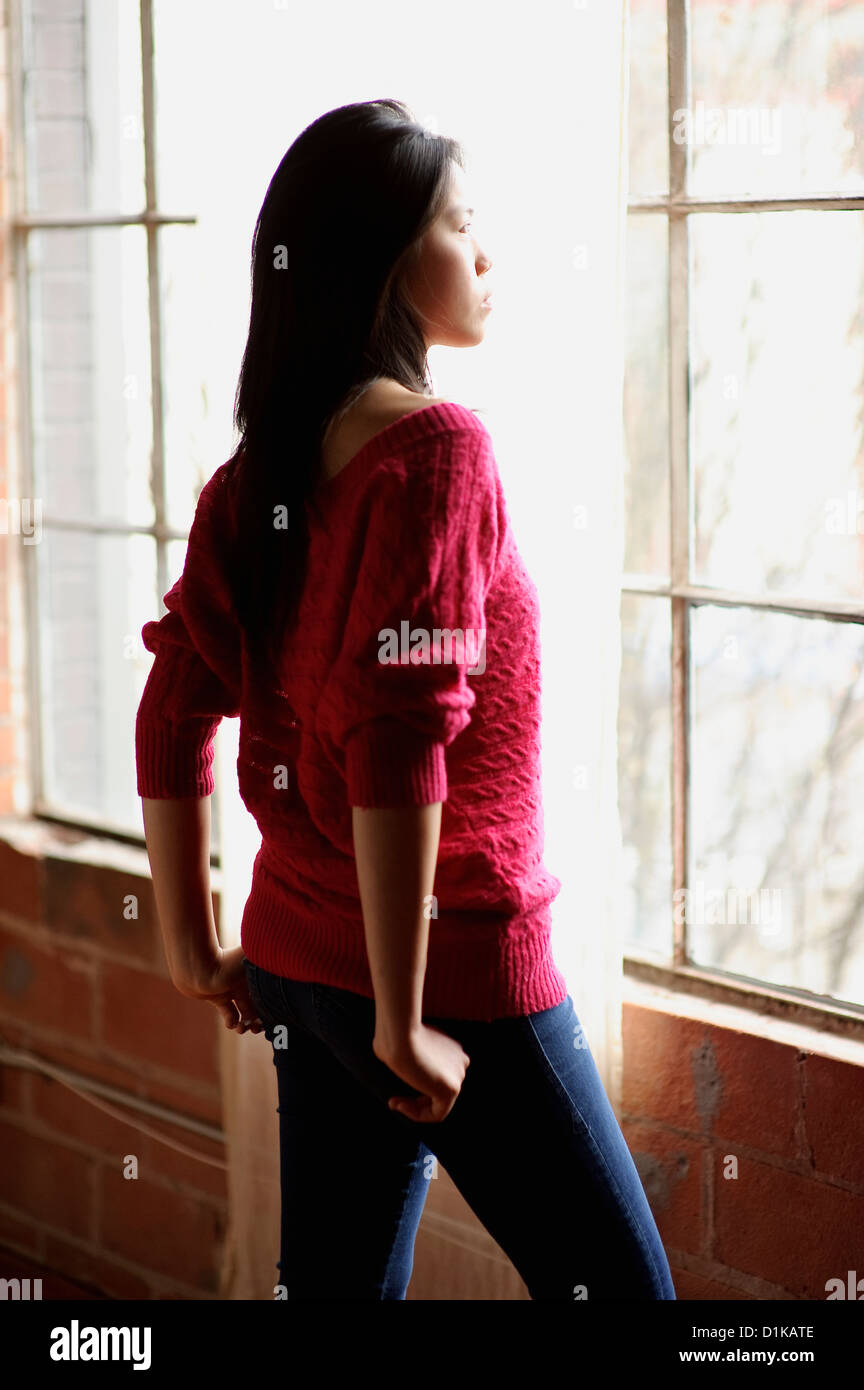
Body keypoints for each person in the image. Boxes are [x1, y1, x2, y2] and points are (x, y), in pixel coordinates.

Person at [136, 98, 676, 1302]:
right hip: (451, 982)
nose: (486, 254)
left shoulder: (261, 471)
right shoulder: (438, 454)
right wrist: (400, 1014)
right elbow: (397, 743)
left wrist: (188, 949)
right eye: (461, 224)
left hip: (296, 960)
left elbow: (172, 712)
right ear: (383, 263)